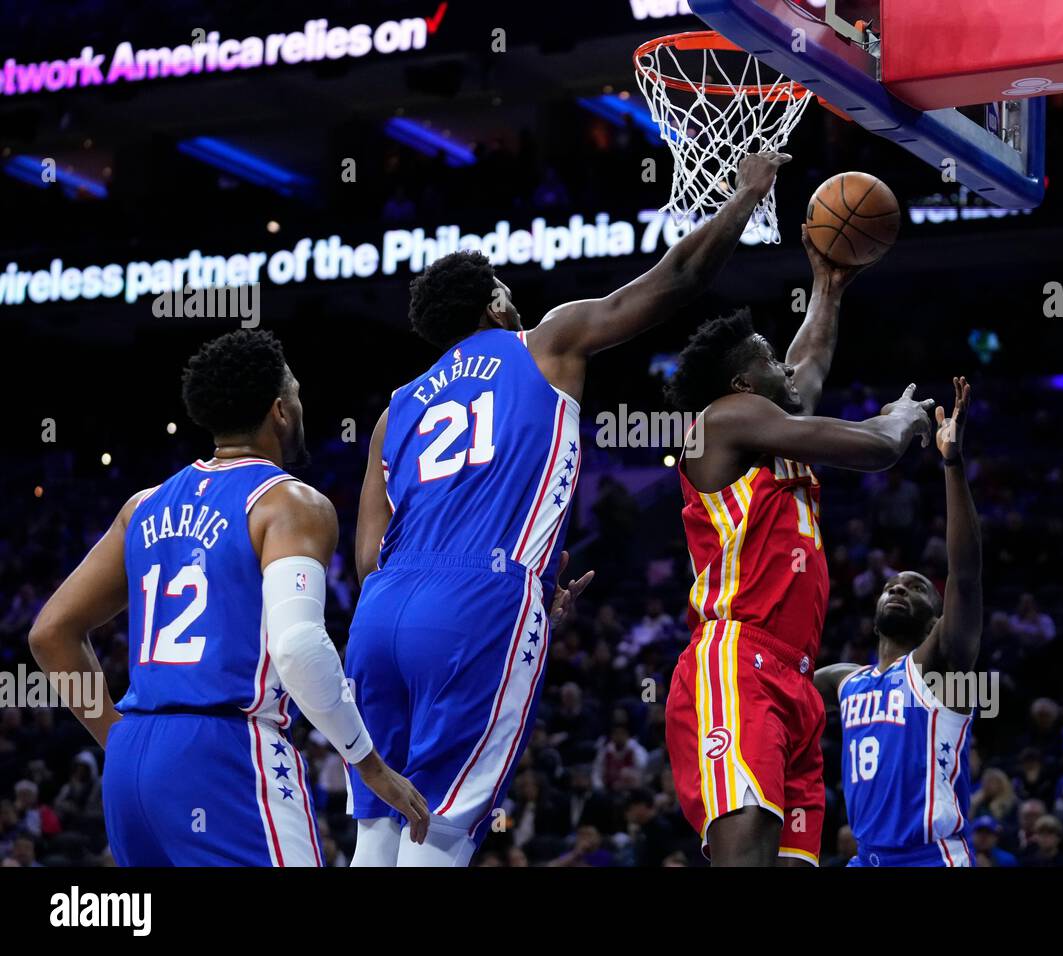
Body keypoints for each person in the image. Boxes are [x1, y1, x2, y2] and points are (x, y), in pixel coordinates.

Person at [346, 152, 791, 867]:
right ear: (493, 304)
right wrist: (745, 198)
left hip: (381, 616)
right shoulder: (544, 341)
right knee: (442, 831)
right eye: (504, 286)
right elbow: (674, 281)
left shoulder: (395, 409)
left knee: (379, 825)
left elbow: (369, 557)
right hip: (476, 604)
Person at [27, 331, 429, 866]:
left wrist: (116, 737)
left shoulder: (142, 507)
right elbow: (300, 647)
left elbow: (49, 633)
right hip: (228, 753)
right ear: (279, 411)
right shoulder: (289, 502)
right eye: (298, 394)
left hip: (132, 767)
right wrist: (368, 763)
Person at [660, 226, 936, 867]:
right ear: (740, 383)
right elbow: (876, 449)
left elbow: (807, 365)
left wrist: (828, 285)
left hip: (797, 679)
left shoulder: (773, 434)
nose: (783, 366)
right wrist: (900, 418)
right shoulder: (722, 423)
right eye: (767, 359)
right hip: (736, 660)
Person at [815, 377, 981, 867]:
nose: (898, 587)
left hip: (929, 857)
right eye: (891, 585)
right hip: (866, 858)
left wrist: (952, 465)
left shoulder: (939, 666)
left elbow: (966, 577)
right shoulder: (845, 681)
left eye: (915, 587)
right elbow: (772, 688)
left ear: (935, 620)